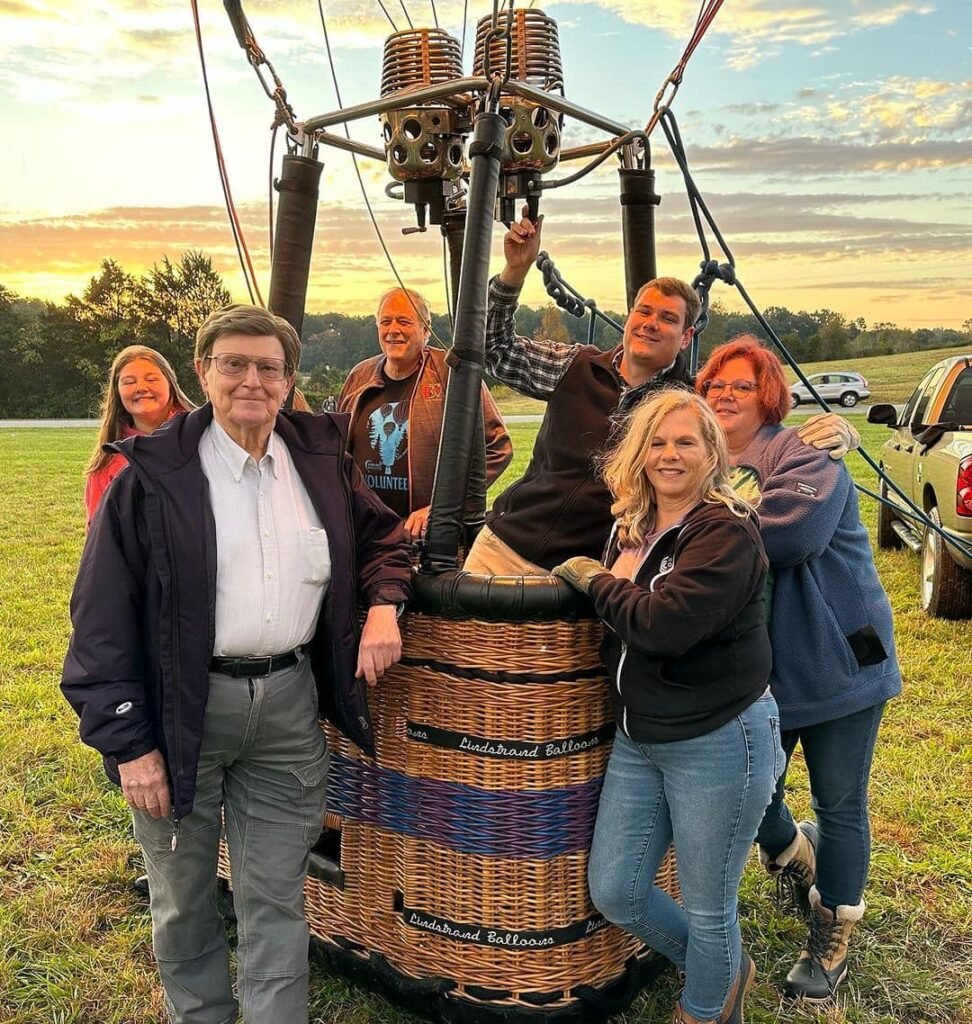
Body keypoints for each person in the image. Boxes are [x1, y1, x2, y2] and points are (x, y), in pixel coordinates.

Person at [62, 304, 412, 1024]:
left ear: (288, 381)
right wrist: (131, 746)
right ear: (203, 372)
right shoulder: (151, 477)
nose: (252, 380)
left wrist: (384, 606)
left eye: (268, 368)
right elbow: (100, 622)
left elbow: (383, 539)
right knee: (184, 897)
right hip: (179, 714)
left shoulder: (320, 463)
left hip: (287, 709)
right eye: (235, 364)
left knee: (276, 896)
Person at [462, 206, 859, 575]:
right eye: (644, 311)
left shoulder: (686, 404)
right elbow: (491, 347)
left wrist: (837, 429)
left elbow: (751, 426)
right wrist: (514, 272)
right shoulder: (575, 365)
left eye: (668, 318)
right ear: (629, 318)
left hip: (591, 571)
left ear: (686, 337)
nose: (651, 324)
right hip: (504, 547)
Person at [552, 390, 783, 1024]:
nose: (669, 454)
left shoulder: (726, 531)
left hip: (718, 738)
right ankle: (726, 969)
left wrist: (595, 581)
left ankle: (704, 1010)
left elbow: (662, 625)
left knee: (709, 907)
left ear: (712, 453)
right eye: (656, 441)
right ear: (638, 452)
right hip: (641, 735)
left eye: (686, 442)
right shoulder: (631, 527)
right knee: (617, 890)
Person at [697, 336, 902, 1002]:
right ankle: (792, 851)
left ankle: (833, 927)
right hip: (762, 671)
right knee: (753, 792)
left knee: (839, 802)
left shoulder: (810, 448)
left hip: (839, 657)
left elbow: (789, 535)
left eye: (742, 385)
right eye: (715, 385)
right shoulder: (700, 459)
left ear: (768, 396)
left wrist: (688, 530)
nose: (726, 395)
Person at [339, 287, 513, 541]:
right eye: (385, 322)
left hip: (427, 538)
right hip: (367, 534)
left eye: (404, 321)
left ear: (426, 329)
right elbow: (337, 452)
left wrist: (441, 508)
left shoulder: (452, 374)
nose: (393, 330)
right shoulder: (359, 377)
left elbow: (497, 447)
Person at [84, 345, 195, 528]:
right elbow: (100, 535)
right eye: (129, 382)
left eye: (151, 379)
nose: (141, 387)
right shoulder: (108, 462)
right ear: (117, 393)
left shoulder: (200, 438)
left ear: (170, 383)